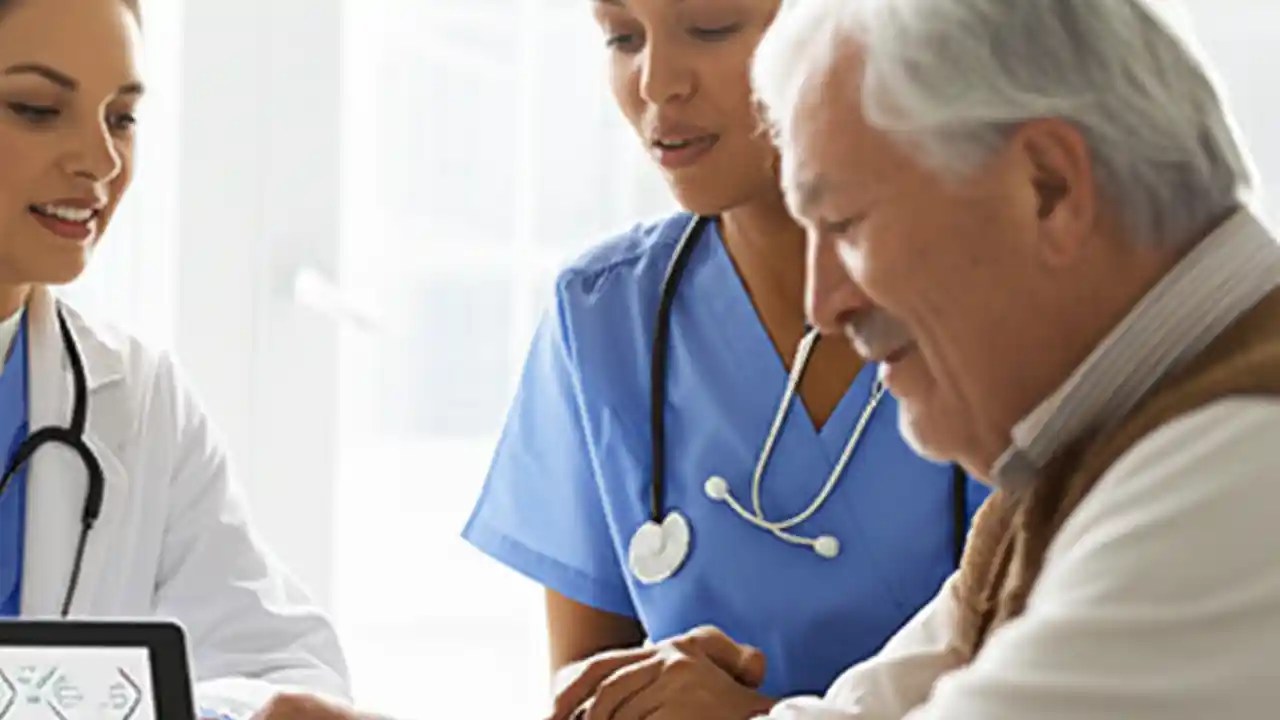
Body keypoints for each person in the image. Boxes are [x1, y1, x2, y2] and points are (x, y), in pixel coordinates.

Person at [550, 0, 1280, 717]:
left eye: (847, 225)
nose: (825, 307)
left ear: (1047, 188)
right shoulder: (1087, 452)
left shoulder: (1233, 475)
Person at [461, 0, 989, 716]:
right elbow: (588, 698)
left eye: (710, 27)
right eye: (622, 37)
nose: (655, 83)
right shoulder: (604, 314)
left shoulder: (1011, 302)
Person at [0, 1, 373, 718]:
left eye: (121, 118)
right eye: (37, 109)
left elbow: (283, 668)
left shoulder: (137, 401)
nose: (101, 161)